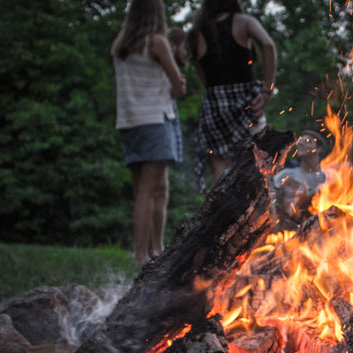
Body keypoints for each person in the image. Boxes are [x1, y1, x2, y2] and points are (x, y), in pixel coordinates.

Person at [111, 0, 186, 266]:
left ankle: (156, 249)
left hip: (129, 123)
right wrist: (178, 84)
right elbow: (178, 86)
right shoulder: (156, 42)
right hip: (154, 121)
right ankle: (141, 255)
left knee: (151, 190)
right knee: (149, 191)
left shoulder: (120, 46)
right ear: (156, 13)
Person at [188, 0, 276, 190]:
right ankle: (264, 217)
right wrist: (267, 91)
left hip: (214, 105)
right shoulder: (243, 22)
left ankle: (228, 217)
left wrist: (219, 98)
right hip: (246, 101)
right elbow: (268, 45)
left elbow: (203, 78)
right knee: (258, 165)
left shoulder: (196, 34)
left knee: (221, 173)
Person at [272, 130, 328, 230]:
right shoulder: (285, 176)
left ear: (319, 149)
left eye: (308, 141)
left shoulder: (329, 176)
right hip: (291, 232)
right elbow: (272, 207)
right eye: (300, 141)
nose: (301, 143)